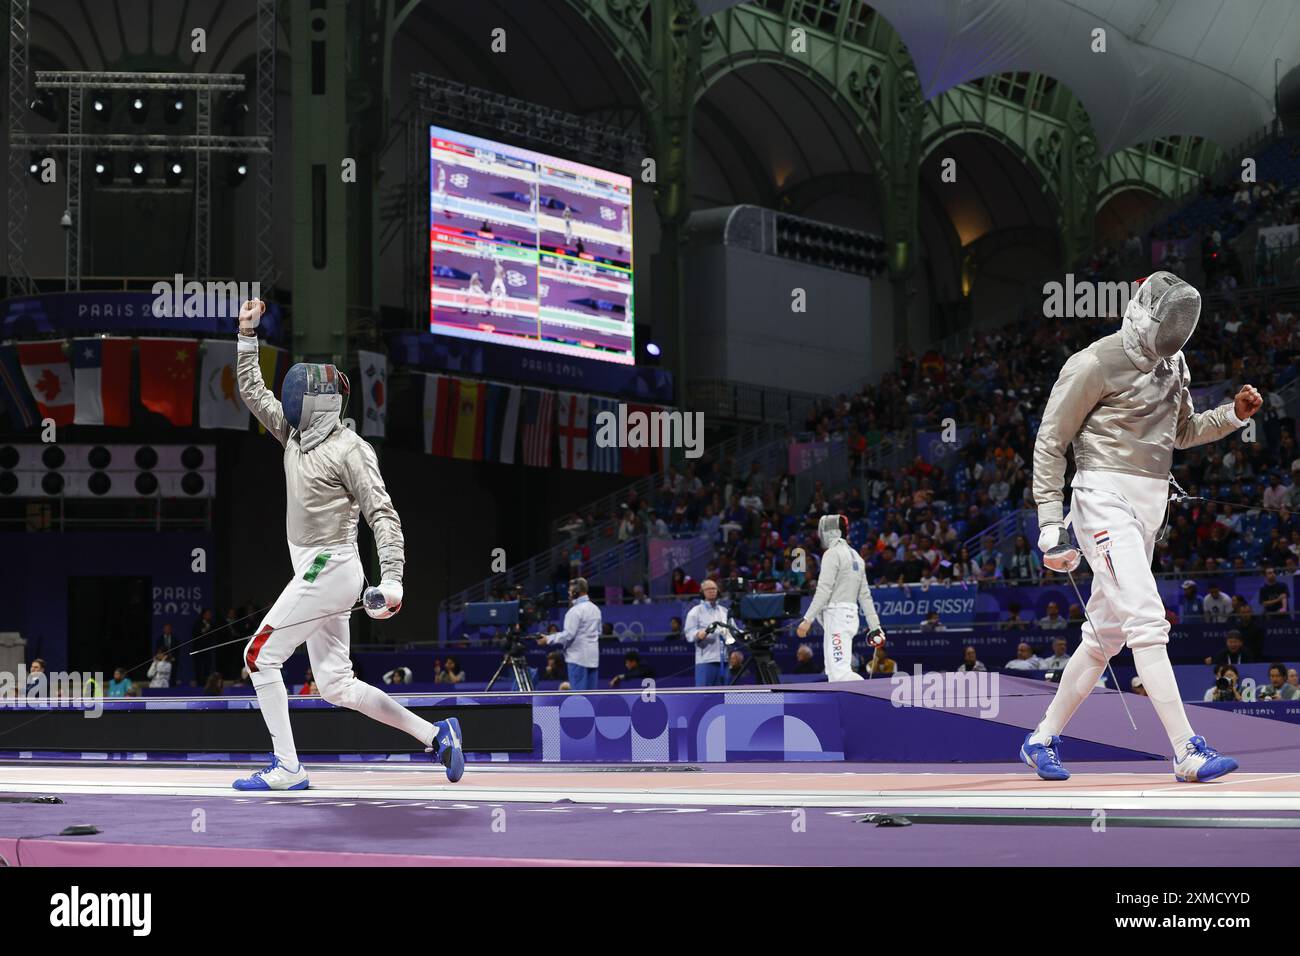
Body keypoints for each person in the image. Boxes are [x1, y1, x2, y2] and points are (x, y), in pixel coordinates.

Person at [1027, 271, 1259, 783]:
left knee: (1103, 637)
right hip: (1102, 499)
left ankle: (1041, 738)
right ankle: (1186, 751)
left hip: (1151, 503)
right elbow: (1050, 442)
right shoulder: (1093, 362)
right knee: (1148, 621)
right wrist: (1050, 523)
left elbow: (1181, 432)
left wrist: (1233, 416)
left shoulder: (1174, 361)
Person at [232, 298, 462, 791]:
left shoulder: (351, 449)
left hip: (332, 568)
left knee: (259, 657)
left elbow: (383, 514)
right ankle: (436, 734)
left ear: (323, 401)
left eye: (302, 392)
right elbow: (252, 391)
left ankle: (288, 768)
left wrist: (394, 580)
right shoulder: (293, 436)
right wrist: (247, 335)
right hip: (315, 573)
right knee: (337, 685)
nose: (291, 399)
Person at [796, 515, 885, 682]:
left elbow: (823, 590)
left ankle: (870, 699)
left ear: (832, 532)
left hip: (837, 618)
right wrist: (875, 626)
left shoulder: (832, 554)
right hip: (847, 617)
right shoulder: (856, 556)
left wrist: (808, 619)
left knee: (840, 673)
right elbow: (865, 596)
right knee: (833, 674)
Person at [536, 576, 601, 690]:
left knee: (579, 697)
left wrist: (548, 639)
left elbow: (568, 635)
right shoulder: (596, 609)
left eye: (570, 591)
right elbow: (599, 632)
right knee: (591, 699)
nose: (569, 593)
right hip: (593, 659)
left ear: (576, 592)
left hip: (577, 659)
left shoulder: (575, 611)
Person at [684, 579, 728, 686]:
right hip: (705, 661)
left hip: (724, 661)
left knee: (724, 697)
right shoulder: (695, 611)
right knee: (704, 697)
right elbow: (689, 634)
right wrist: (699, 634)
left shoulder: (724, 611)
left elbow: (730, 630)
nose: (711, 591)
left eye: (714, 588)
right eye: (708, 589)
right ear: (702, 592)